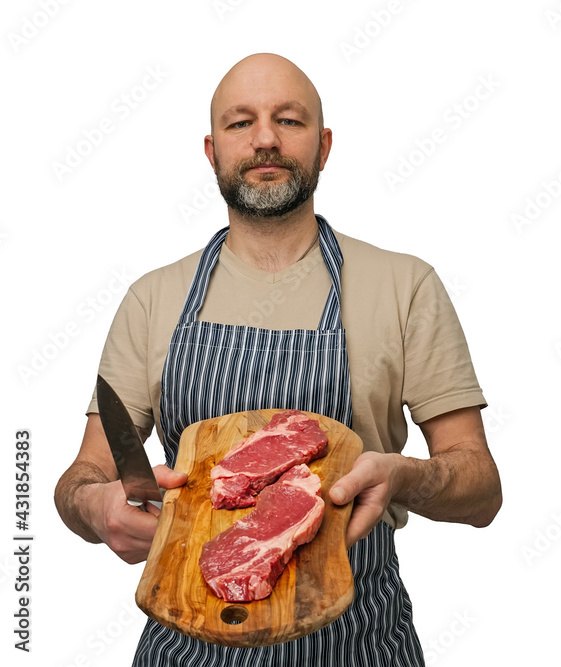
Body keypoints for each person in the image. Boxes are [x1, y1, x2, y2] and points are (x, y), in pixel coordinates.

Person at [54, 53, 502, 666]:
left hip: (358, 644)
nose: (265, 138)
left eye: (289, 120)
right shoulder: (153, 298)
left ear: (324, 146)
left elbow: (481, 488)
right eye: (241, 123)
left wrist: (405, 475)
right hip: (185, 640)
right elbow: (79, 479)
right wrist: (95, 505)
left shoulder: (405, 285)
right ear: (212, 152)